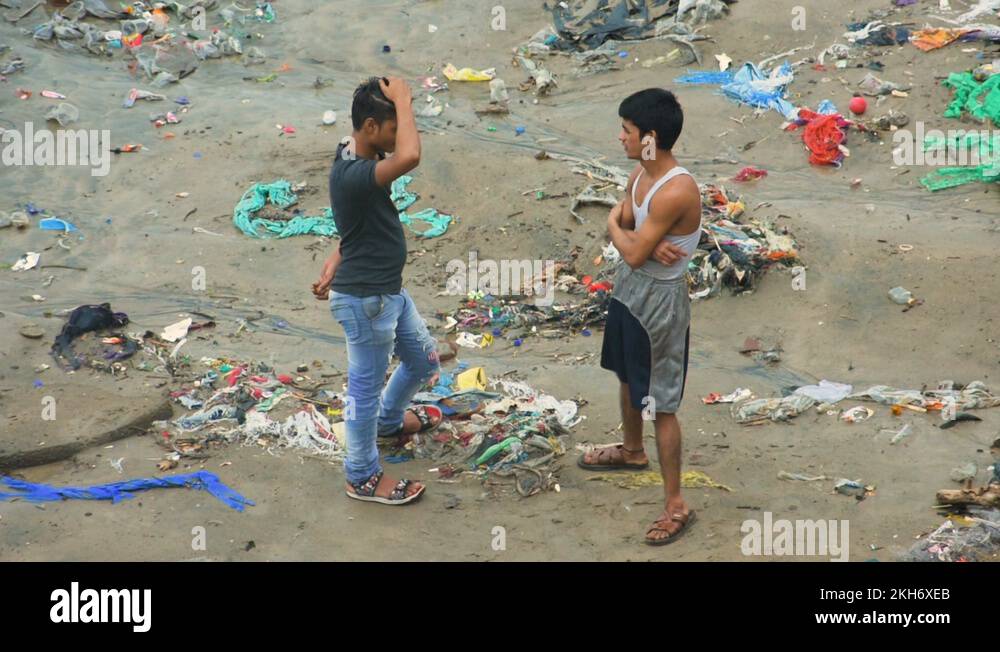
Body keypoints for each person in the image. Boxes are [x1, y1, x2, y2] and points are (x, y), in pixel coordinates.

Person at [578, 88, 703, 545]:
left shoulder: (677, 189)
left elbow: (628, 244)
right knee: (629, 379)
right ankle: (632, 452)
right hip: (630, 293)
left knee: (662, 405)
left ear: (650, 137)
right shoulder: (640, 174)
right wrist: (631, 235)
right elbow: (629, 226)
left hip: (660, 304)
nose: (621, 138)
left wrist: (620, 231)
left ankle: (676, 504)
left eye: (627, 131)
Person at [312, 76, 443, 506]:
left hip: (387, 291)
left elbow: (354, 220)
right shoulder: (356, 172)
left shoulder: (354, 155)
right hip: (366, 300)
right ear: (370, 127)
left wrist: (337, 256)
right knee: (363, 390)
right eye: (391, 126)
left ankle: (389, 422)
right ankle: (361, 476)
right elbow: (411, 155)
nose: (398, 134)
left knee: (424, 361)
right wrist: (404, 99)